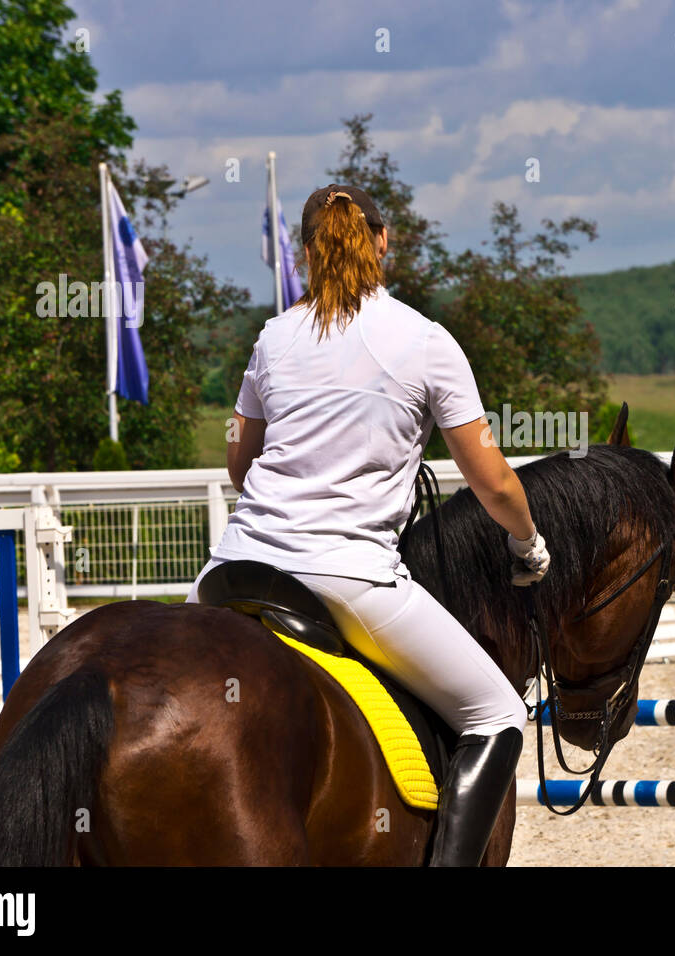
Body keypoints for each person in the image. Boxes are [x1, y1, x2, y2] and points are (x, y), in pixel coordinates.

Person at [185, 184, 550, 866]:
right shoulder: (425, 341)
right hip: (346, 578)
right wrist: (529, 544)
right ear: (384, 241)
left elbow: (240, 463)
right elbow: (494, 482)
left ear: (304, 254)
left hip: (233, 569)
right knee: (497, 715)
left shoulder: (272, 336)